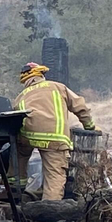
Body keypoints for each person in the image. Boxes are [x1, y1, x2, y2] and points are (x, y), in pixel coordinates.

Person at [12, 62, 97, 202]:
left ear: (25, 80)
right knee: (54, 176)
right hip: (55, 139)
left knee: (18, 154)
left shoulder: (21, 95)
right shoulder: (57, 87)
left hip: (27, 136)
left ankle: (17, 193)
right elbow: (80, 107)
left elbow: (14, 120)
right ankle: (50, 217)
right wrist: (90, 126)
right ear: (41, 75)